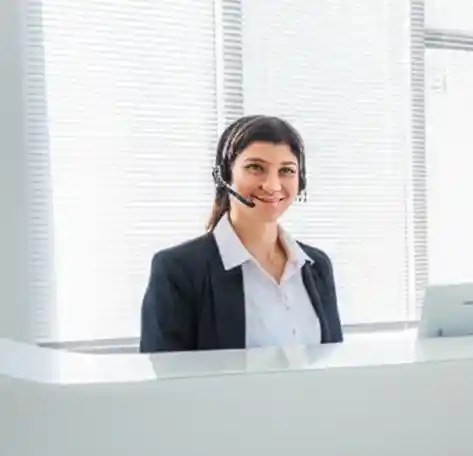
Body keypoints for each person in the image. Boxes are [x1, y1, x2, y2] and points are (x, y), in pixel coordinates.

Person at [139, 115, 343, 352]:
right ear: (225, 175)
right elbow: (164, 378)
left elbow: (332, 364)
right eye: (255, 168)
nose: (273, 185)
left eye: (287, 170)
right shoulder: (178, 270)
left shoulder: (316, 265)